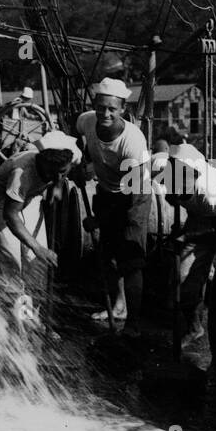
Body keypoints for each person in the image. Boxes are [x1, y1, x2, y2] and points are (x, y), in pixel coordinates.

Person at [73, 77, 153, 335]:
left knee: (130, 256)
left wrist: (103, 219)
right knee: (107, 254)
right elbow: (76, 135)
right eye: (101, 107)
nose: (105, 114)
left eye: (112, 109)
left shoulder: (133, 142)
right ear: (94, 105)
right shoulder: (86, 121)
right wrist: (81, 160)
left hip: (135, 194)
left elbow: (131, 197)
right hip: (106, 189)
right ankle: (118, 307)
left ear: (123, 110)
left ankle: (134, 324)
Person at [157, 143, 216, 344]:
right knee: (184, 277)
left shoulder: (209, 192)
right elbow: (189, 207)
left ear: (196, 174)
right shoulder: (168, 179)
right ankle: (195, 327)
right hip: (204, 216)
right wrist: (184, 231)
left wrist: (192, 237)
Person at [0, 130, 79, 276]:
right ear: (42, 161)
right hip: (1, 203)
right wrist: (37, 247)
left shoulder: (72, 155)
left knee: (35, 259)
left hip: (31, 196)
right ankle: (12, 295)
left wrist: (57, 186)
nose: (58, 177)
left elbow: (63, 173)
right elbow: (10, 214)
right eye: (52, 173)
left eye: (63, 172)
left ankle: (35, 294)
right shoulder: (22, 173)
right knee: (12, 258)